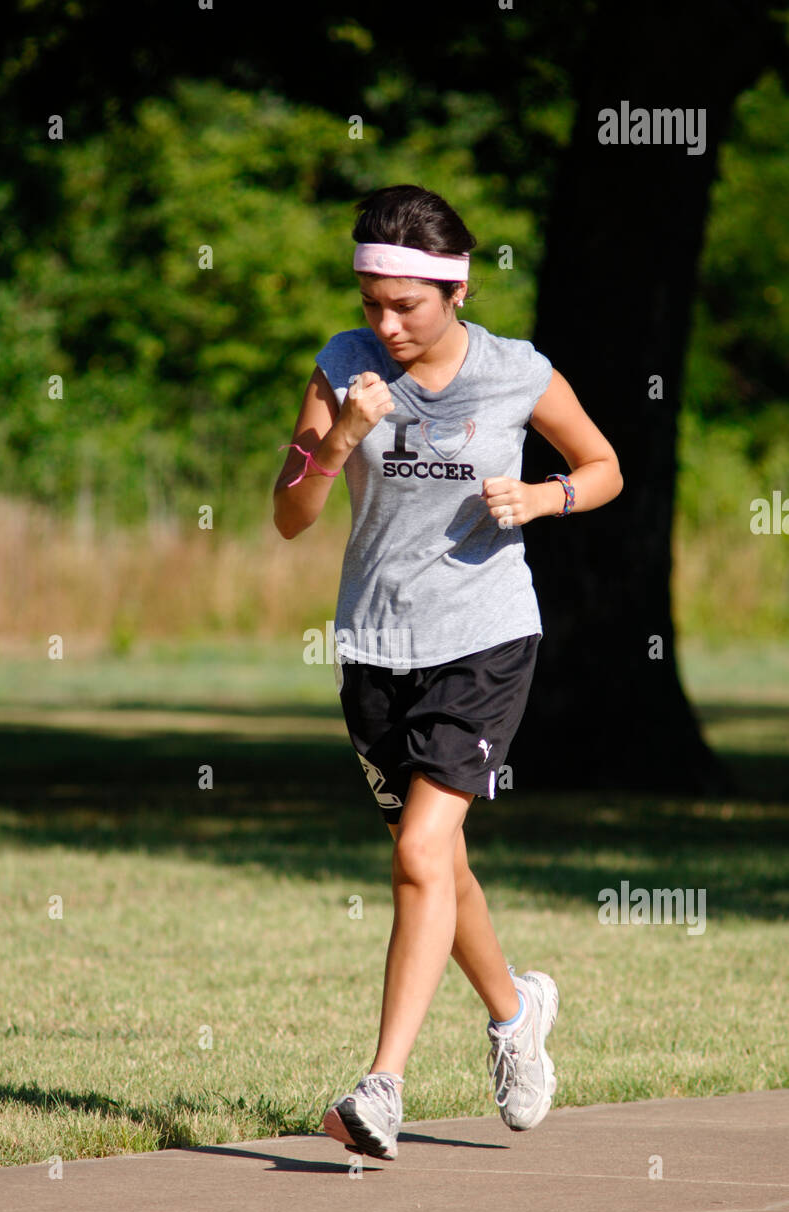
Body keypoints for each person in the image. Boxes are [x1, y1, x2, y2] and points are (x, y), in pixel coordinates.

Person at [272, 184, 622, 1162]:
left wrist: (543, 498)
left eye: (404, 306)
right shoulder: (341, 365)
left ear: (454, 289)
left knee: (420, 852)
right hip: (374, 647)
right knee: (440, 861)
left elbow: (602, 464)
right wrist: (339, 437)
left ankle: (381, 1083)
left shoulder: (513, 373)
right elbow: (288, 513)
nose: (382, 323)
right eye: (368, 301)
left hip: (485, 637)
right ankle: (516, 1013)